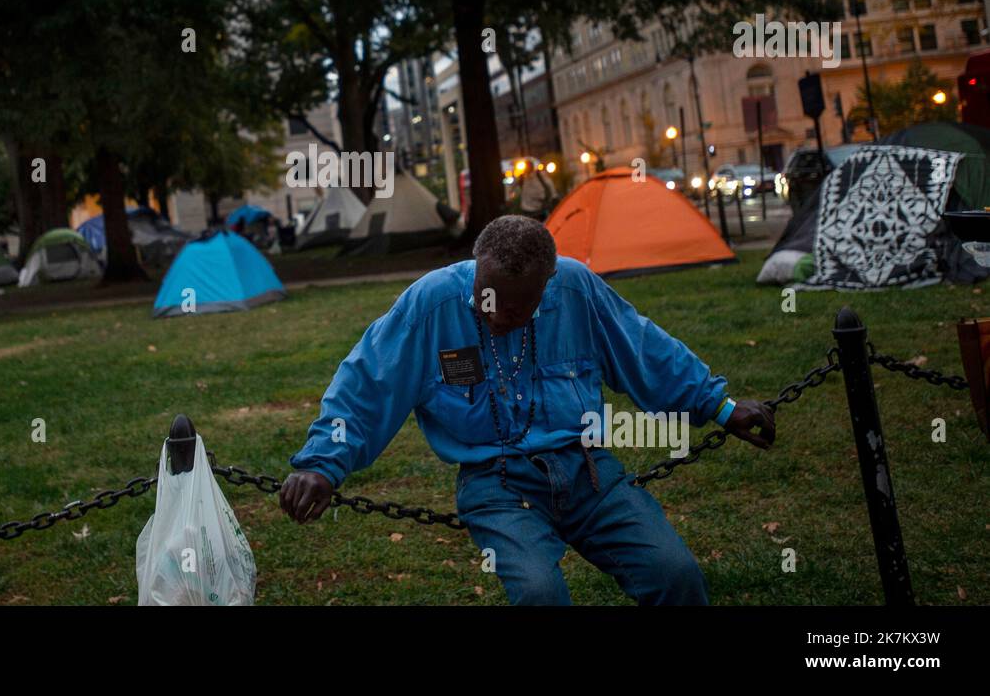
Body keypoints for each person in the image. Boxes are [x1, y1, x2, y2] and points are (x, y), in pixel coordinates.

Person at [280, 215, 775, 605]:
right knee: (541, 594)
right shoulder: (431, 303)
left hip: (588, 473)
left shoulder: (576, 289)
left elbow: (645, 350)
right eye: (486, 299)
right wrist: (323, 463)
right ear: (476, 270)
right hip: (494, 484)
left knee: (677, 575)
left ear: (547, 285)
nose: (497, 314)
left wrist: (722, 406)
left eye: (516, 308)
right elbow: (368, 383)